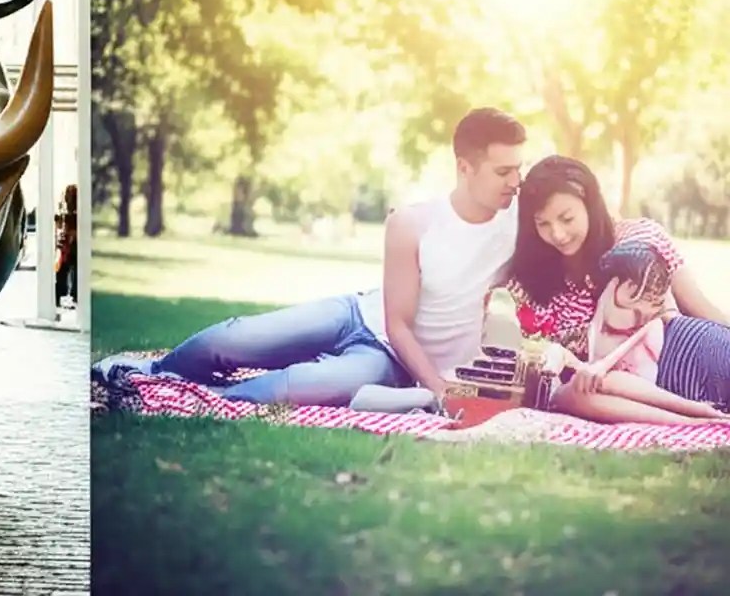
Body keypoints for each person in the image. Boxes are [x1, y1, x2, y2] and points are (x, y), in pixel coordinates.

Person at [95, 107, 526, 407]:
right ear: (464, 168)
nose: (515, 181)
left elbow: (577, 229)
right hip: (359, 316)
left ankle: (193, 401)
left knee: (304, 384)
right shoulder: (412, 224)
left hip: (393, 363)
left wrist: (435, 386)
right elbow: (396, 323)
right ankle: (155, 371)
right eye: (503, 171)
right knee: (237, 339)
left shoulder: (521, 225)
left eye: (518, 169)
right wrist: (439, 388)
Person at [507, 155, 730, 424]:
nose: (558, 234)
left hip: (683, 356)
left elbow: (692, 310)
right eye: (543, 224)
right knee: (568, 396)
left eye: (567, 218)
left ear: (589, 203)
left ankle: (700, 417)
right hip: (613, 386)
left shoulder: (636, 241)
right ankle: (694, 422)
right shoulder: (535, 276)